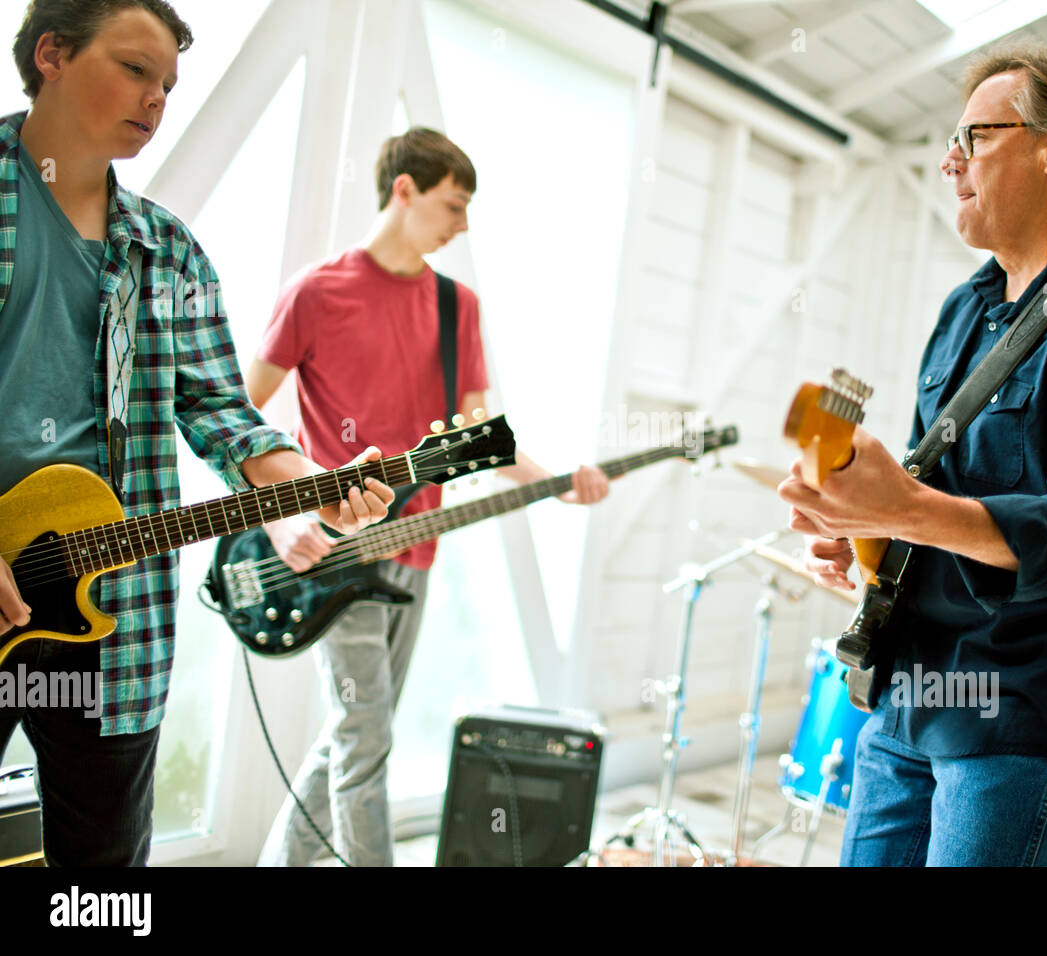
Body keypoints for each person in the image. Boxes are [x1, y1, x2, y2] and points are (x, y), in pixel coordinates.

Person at [779, 45, 1047, 867]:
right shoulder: (965, 307)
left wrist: (905, 509)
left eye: (974, 137)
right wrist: (866, 529)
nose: (949, 161)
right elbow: (932, 491)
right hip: (903, 689)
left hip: (1015, 709)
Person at [0, 0, 393, 867]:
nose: (156, 99)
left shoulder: (167, 250)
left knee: (102, 886)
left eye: (169, 84)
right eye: (135, 69)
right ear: (52, 54)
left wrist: (314, 486)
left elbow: (221, 410)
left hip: (112, 615)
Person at [247, 126, 610, 867]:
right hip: (330, 549)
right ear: (404, 189)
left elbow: (478, 431)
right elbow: (244, 414)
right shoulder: (315, 292)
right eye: (454, 204)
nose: (464, 225)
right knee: (366, 736)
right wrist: (285, 518)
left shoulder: (457, 308)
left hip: (415, 547)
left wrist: (556, 483)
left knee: (355, 736)